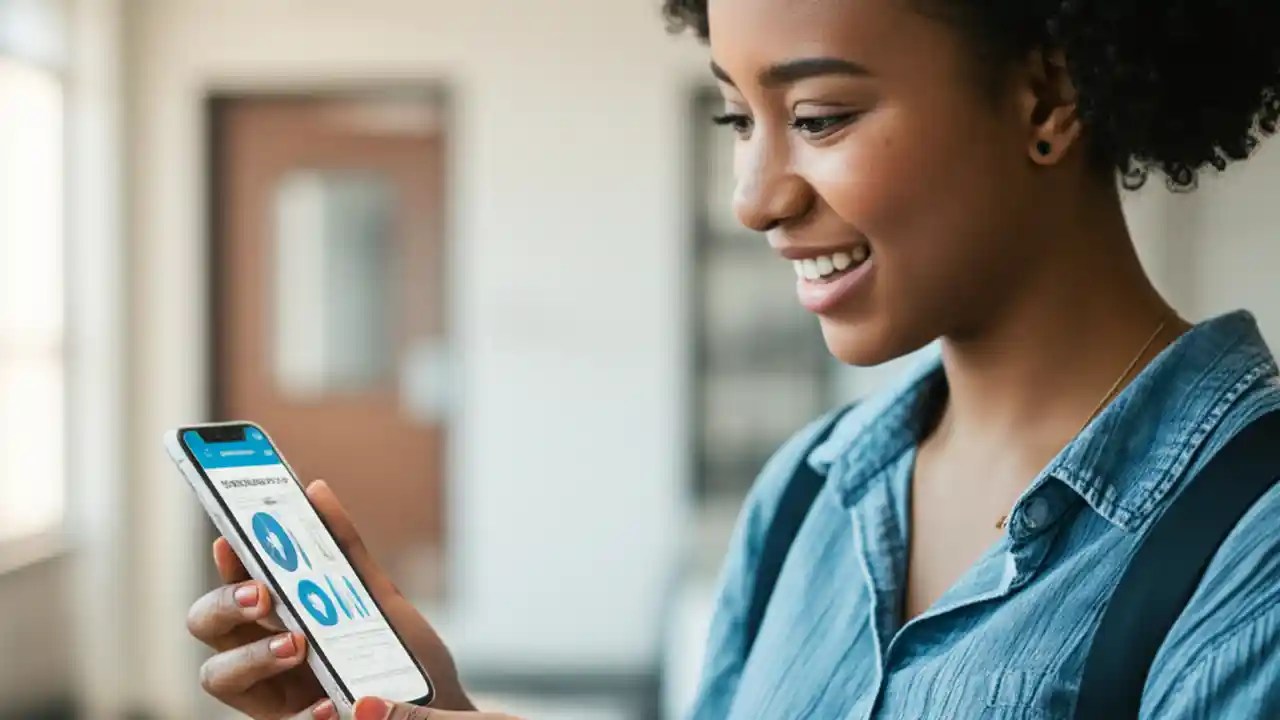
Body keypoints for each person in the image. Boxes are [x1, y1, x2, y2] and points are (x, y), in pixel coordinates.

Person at [185, 0, 1280, 717]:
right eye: (734, 119)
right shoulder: (810, 490)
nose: (752, 198)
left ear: (1047, 98)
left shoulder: (1251, 554)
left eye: (816, 115)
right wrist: (449, 708)